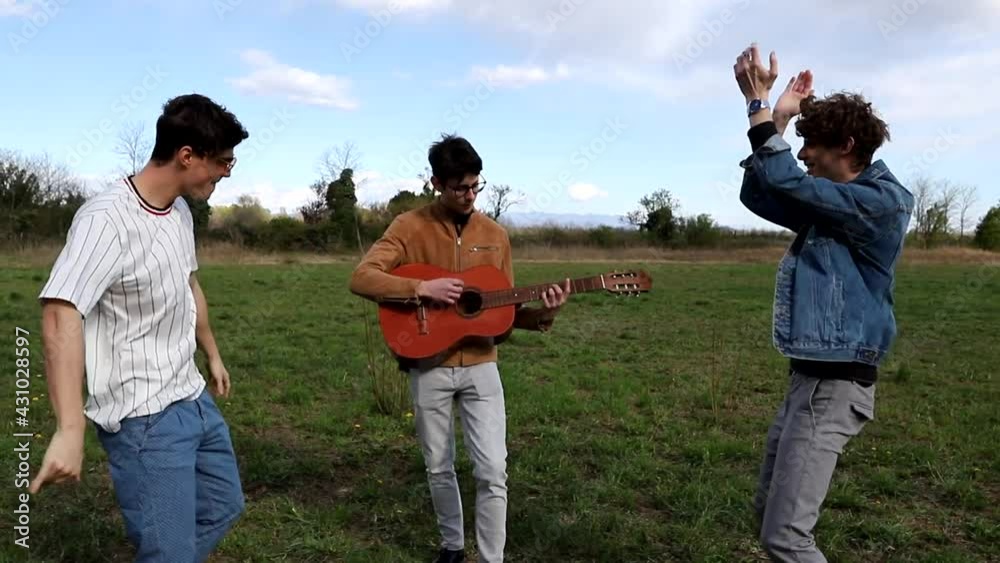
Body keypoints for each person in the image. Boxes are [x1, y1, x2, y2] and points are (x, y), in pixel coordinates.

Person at [30, 93, 250, 562]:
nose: (226, 174)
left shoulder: (180, 213)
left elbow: (189, 285)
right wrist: (70, 429)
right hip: (143, 417)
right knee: (168, 550)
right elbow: (59, 313)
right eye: (224, 163)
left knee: (223, 506)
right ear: (187, 155)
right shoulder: (106, 220)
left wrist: (211, 353)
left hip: (191, 396)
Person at [349, 134, 570, 563]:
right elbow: (362, 278)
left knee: (492, 470)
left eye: (475, 186)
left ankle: (492, 558)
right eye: (459, 188)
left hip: (483, 364)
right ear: (436, 182)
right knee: (437, 465)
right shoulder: (407, 227)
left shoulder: (495, 235)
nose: (469, 196)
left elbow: (500, 315)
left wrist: (545, 314)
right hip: (428, 363)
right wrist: (419, 287)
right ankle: (452, 547)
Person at [733, 44, 914, 562]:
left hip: (834, 388)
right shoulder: (832, 206)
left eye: (812, 145)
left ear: (847, 145)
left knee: (786, 537)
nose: (805, 154)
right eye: (803, 143)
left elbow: (785, 176)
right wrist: (779, 122)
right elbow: (761, 193)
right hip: (807, 381)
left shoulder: (879, 203)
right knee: (771, 517)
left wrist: (763, 108)